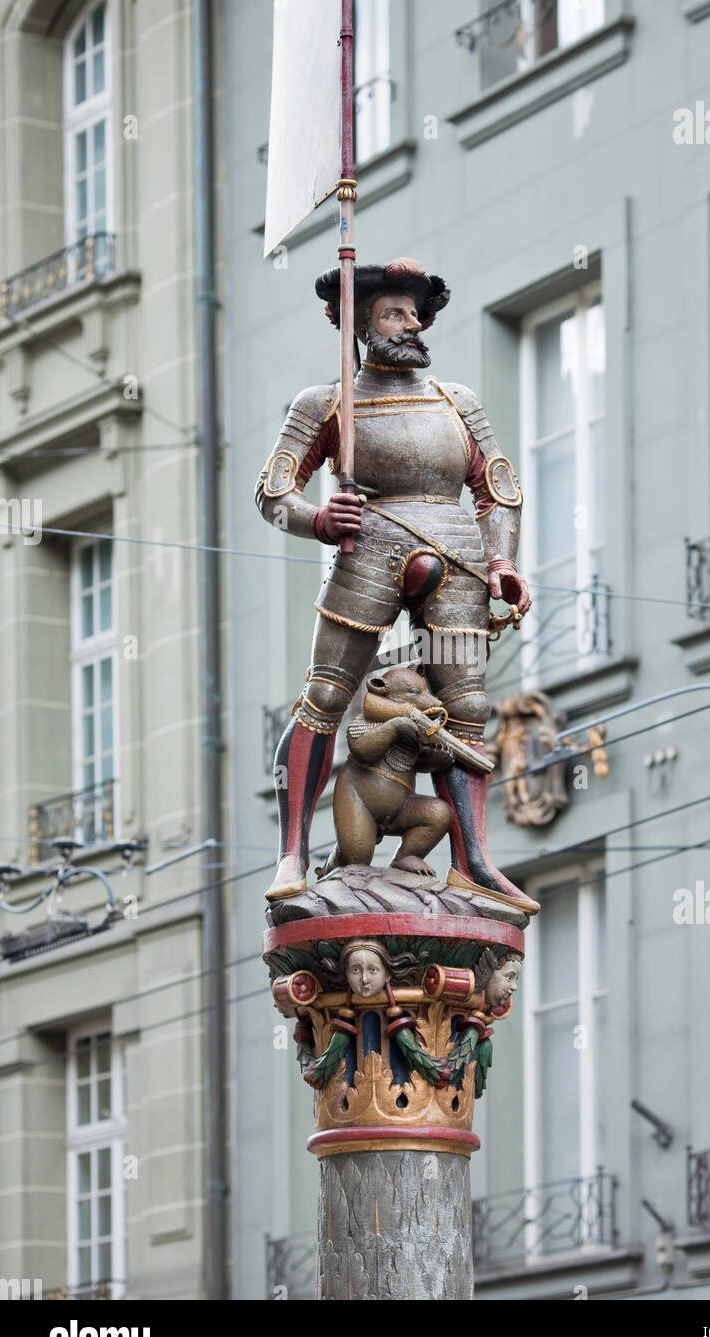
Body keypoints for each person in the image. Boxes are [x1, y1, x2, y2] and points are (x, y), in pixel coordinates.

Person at [255, 256, 538, 915]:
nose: (410, 324)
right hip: (372, 545)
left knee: (464, 707)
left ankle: (473, 862)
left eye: (415, 313)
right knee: (326, 693)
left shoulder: (457, 401)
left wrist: (502, 560)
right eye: (393, 313)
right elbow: (273, 492)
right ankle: (293, 851)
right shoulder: (324, 403)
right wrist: (319, 519)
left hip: (456, 549)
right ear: (357, 324)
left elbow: (497, 487)